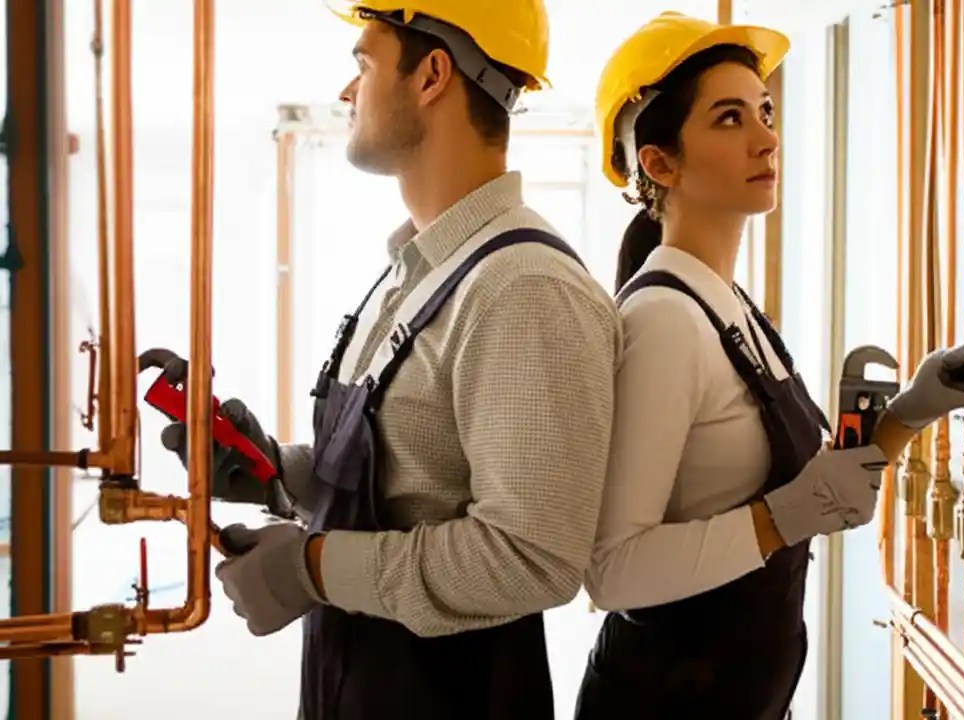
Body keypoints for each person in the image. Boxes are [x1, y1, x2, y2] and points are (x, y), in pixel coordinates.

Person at [154, 2, 621, 718]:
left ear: (432, 73)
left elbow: (533, 560)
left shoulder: (524, 288)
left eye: (363, 64)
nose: (347, 93)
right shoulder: (420, 270)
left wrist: (309, 567)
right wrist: (278, 471)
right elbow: (410, 486)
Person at [574, 12, 964, 719]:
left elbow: (816, 493)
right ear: (660, 162)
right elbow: (612, 570)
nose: (767, 137)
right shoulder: (664, 321)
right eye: (730, 118)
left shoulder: (731, 309)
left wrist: (911, 414)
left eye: (765, 111)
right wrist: (781, 519)